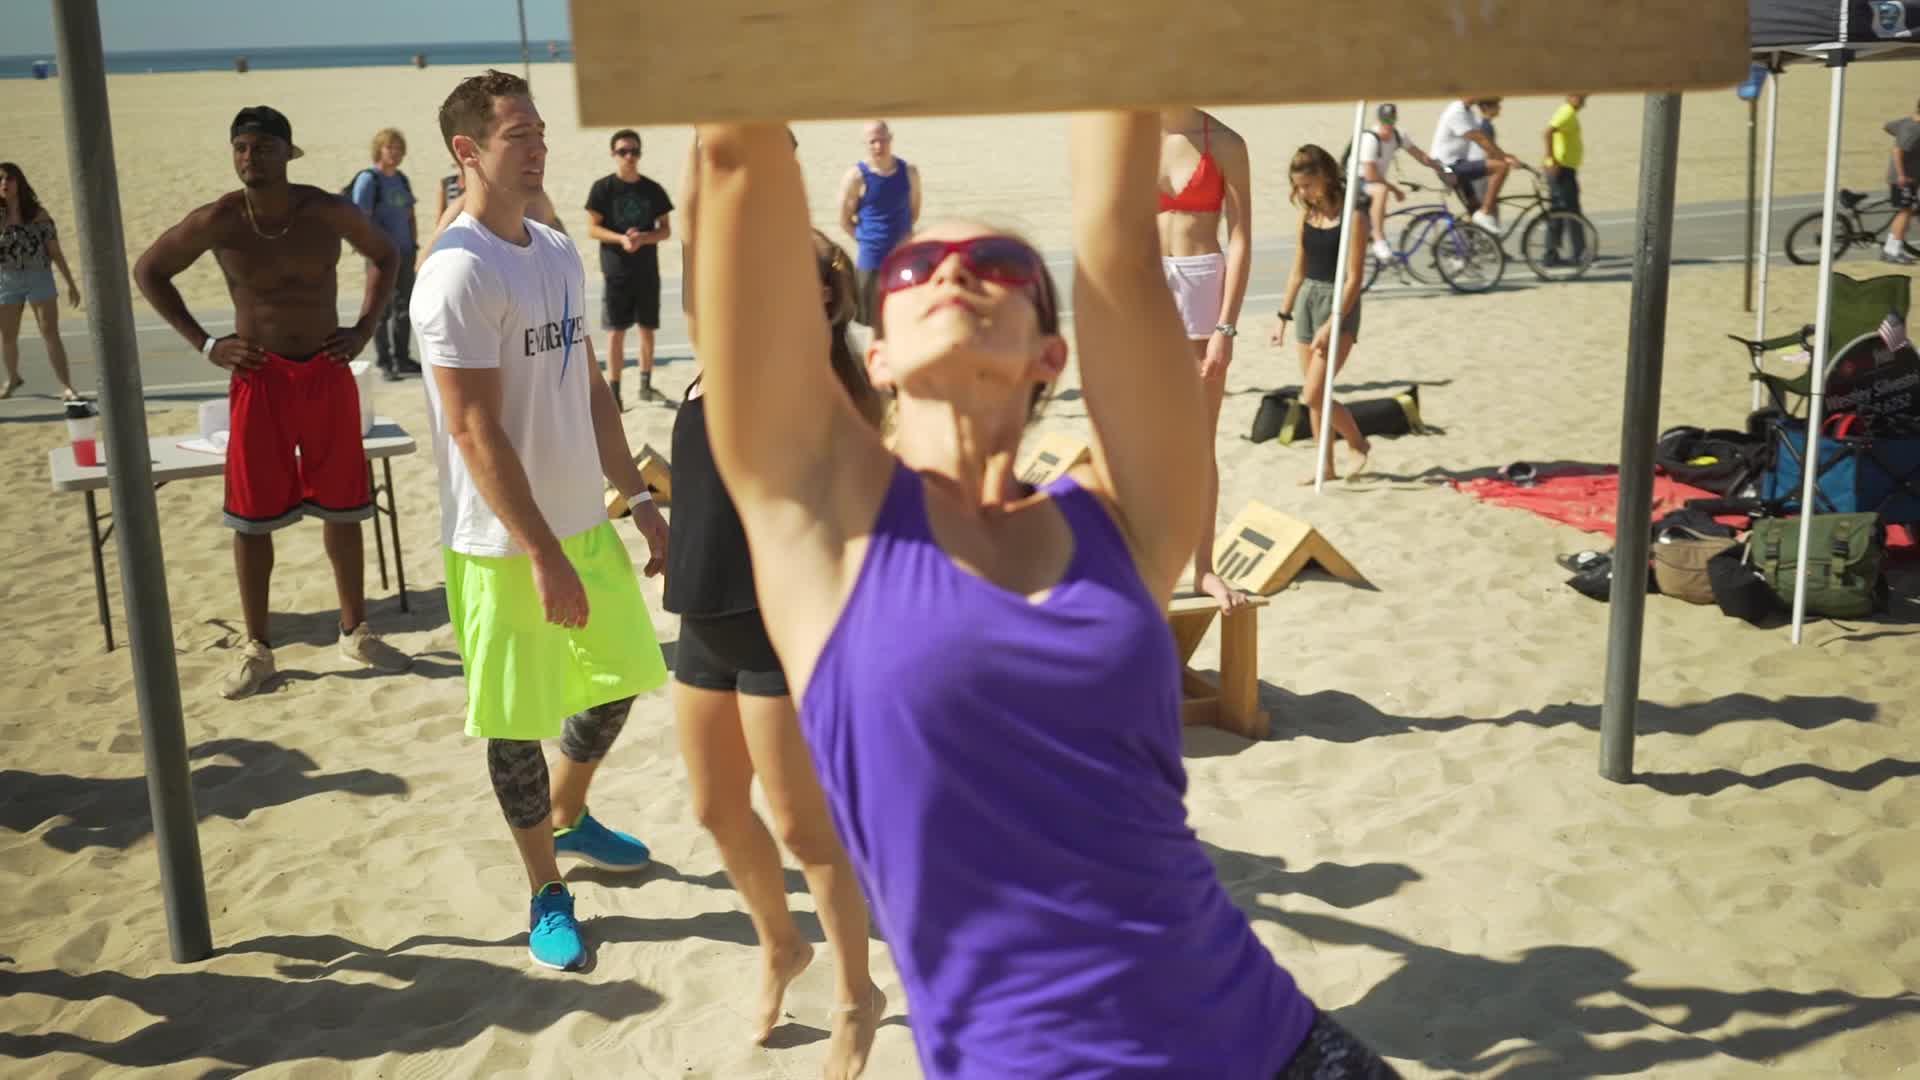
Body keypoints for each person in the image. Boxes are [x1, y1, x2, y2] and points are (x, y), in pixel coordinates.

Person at [690, 113, 1398, 1078]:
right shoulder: (820, 527)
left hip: (1276, 1048)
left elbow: (1119, 238)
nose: (953, 273)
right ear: (875, 355)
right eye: (915, 267)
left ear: (1050, 357)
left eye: (997, 266)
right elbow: (735, 155)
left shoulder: (1122, 520)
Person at [411, 69, 671, 974]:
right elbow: (473, 429)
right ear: (468, 151)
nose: (538, 148)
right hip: (502, 545)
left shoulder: (556, 251)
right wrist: (540, 552)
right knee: (514, 723)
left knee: (620, 679)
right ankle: (545, 889)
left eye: (540, 132)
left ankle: (570, 809)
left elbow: (589, 387)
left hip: (581, 521)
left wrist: (640, 499)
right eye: (518, 135)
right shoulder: (457, 272)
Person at [667, 217, 886, 1076]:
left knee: (805, 830)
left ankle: (856, 995)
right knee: (716, 809)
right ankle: (781, 945)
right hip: (701, 621)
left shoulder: (811, 383)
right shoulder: (718, 355)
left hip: (775, 630)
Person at [133, 106, 411, 700]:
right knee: (251, 516)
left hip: (326, 371)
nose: (249, 157)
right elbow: (150, 271)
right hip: (259, 378)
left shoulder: (326, 210)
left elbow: (387, 253)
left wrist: (364, 328)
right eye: (240, 147)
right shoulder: (219, 220)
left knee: (344, 507)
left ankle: (355, 631)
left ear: (288, 152)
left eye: (261, 146)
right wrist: (208, 344)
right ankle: (257, 647)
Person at [1156, 107, 1252, 612]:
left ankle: (1204, 568)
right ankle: (1149, 562)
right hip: (1147, 286)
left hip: (1201, 288)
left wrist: (1226, 327)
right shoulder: (1134, 136)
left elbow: (1240, 237)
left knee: (1198, 441)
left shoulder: (1226, 143)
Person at [1274, 145, 1371, 485]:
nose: (1302, 193)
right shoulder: (1307, 216)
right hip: (1307, 301)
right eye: (1298, 186)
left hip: (1339, 302)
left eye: (1307, 185)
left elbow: (1355, 278)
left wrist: (1333, 321)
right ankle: (1324, 466)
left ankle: (1357, 443)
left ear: (1326, 177)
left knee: (1313, 392)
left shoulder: (1353, 217)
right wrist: (1283, 316)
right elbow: (1297, 271)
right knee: (1314, 394)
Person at [585, 129, 673, 408]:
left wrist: (644, 237)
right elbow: (593, 228)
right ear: (613, 154)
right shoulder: (603, 189)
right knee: (616, 332)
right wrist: (621, 238)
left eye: (634, 151)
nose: (629, 156)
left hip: (647, 271)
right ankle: (615, 391)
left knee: (647, 330)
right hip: (616, 271)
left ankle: (646, 385)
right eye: (623, 151)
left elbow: (665, 230)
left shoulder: (653, 190)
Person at [0, 162, 82, 401]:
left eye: (9, 179)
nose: (4, 183)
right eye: (0, 179)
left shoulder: (38, 215)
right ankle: (12, 378)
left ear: (19, 183)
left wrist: (70, 283)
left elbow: (55, 251)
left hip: (39, 276)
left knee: (49, 332)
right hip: (7, 279)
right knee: (8, 335)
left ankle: (67, 386)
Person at [349, 128, 420, 381]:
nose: (395, 153)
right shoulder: (369, 180)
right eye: (391, 147)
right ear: (379, 149)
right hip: (380, 257)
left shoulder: (401, 179)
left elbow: (410, 215)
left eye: (399, 148)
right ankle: (385, 361)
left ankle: (402, 358)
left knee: (404, 308)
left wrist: (413, 244)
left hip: (405, 254)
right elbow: (359, 220)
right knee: (381, 309)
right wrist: (371, 251)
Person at [837, 121, 920, 324]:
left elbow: (914, 212)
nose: (878, 146)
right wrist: (868, 241)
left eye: (883, 140)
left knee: (906, 318)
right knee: (869, 324)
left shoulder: (909, 172)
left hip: (903, 259)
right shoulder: (856, 177)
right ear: (865, 144)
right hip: (870, 262)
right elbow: (844, 221)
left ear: (891, 139)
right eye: (872, 141)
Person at [1354, 104, 1442, 263]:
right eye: (1385, 120)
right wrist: (1395, 190)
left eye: (1391, 120)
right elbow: (1370, 174)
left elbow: (1419, 155)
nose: (1388, 124)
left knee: (1380, 193)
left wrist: (1441, 168)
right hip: (1356, 181)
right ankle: (1378, 239)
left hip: (1374, 181)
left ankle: (1373, 233)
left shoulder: (1398, 135)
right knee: (1381, 190)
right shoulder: (1370, 139)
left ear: (1395, 119)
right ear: (1379, 120)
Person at [1430, 96, 1520, 231]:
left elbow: (1483, 137)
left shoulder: (1468, 112)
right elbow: (1479, 138)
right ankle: (1485, 212)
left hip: (1456, 164)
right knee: (1501, 167)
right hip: (1447, 167)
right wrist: (1504, 157)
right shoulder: (1456, 111)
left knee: (1474, 209)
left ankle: (1469, 240)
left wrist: (1504, 154)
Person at [1541, 94, 1590, 266]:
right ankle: (1579, 253)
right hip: (1561, 169)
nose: (1582, 99)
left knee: (1559, 212)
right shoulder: (1567, 112)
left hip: (1564, 168)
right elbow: (1548, 132)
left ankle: (1551, 254)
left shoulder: (1568, 112)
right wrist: (1551, 159)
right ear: (1569, 96)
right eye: (1578, 95)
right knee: (1570, 212)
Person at [1883, 97, 1920, 265]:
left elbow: (1887, 126)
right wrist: (1901, 175)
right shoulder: (1914, 129)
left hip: (1910, 177)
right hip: (1903, 179)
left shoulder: (1907, 123)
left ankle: (1891, 249)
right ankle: (1892, 251)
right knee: (1905, 212)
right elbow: (1898, 151)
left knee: (1906, 211)